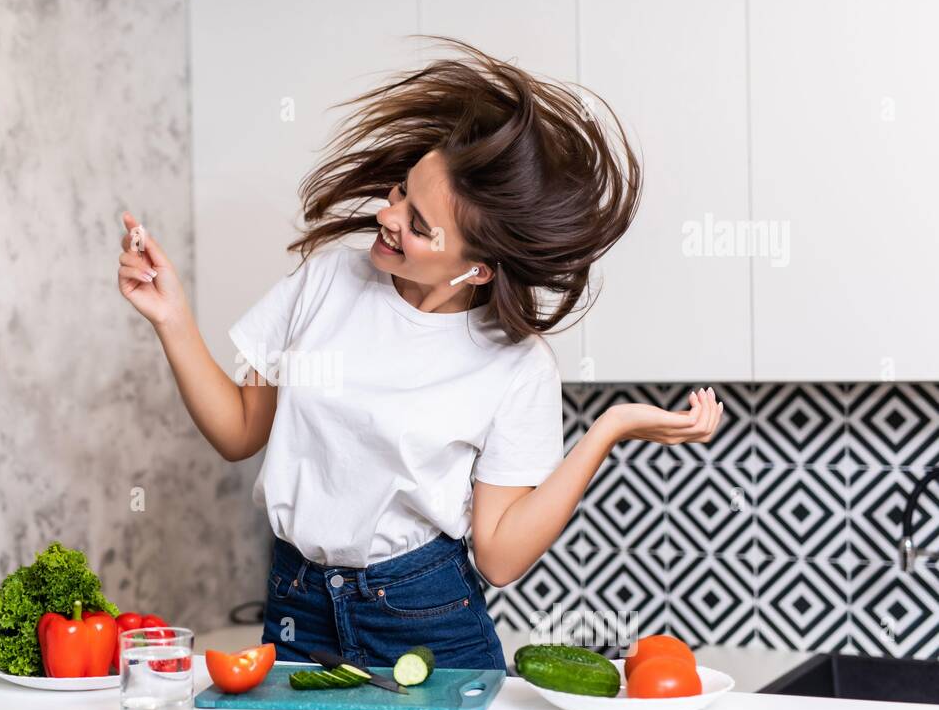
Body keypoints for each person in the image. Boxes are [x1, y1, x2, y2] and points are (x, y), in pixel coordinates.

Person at [115, 38, 722, 671]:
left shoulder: (515, 365)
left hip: (424, 617)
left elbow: (499, 556)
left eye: (420, 223)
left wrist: (610, 428)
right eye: (403, 192)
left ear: (478, 271)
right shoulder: (326, 281)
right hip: (296, 605)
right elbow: (241, 431)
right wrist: (172, 318)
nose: (387, 214)